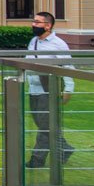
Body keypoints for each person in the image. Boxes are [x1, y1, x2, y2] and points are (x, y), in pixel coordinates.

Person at [26, 12, 75, 168]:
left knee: (45, 125)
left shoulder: (58, 44)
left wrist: (68, 88)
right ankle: (65, 149)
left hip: (48, 89)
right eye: (34, 21)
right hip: (33, 89)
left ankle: (37, 159)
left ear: (48, 25)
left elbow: (68, 67)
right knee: (44, 124)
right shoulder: (33, 41)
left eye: (38, 22)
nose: (34, 25)